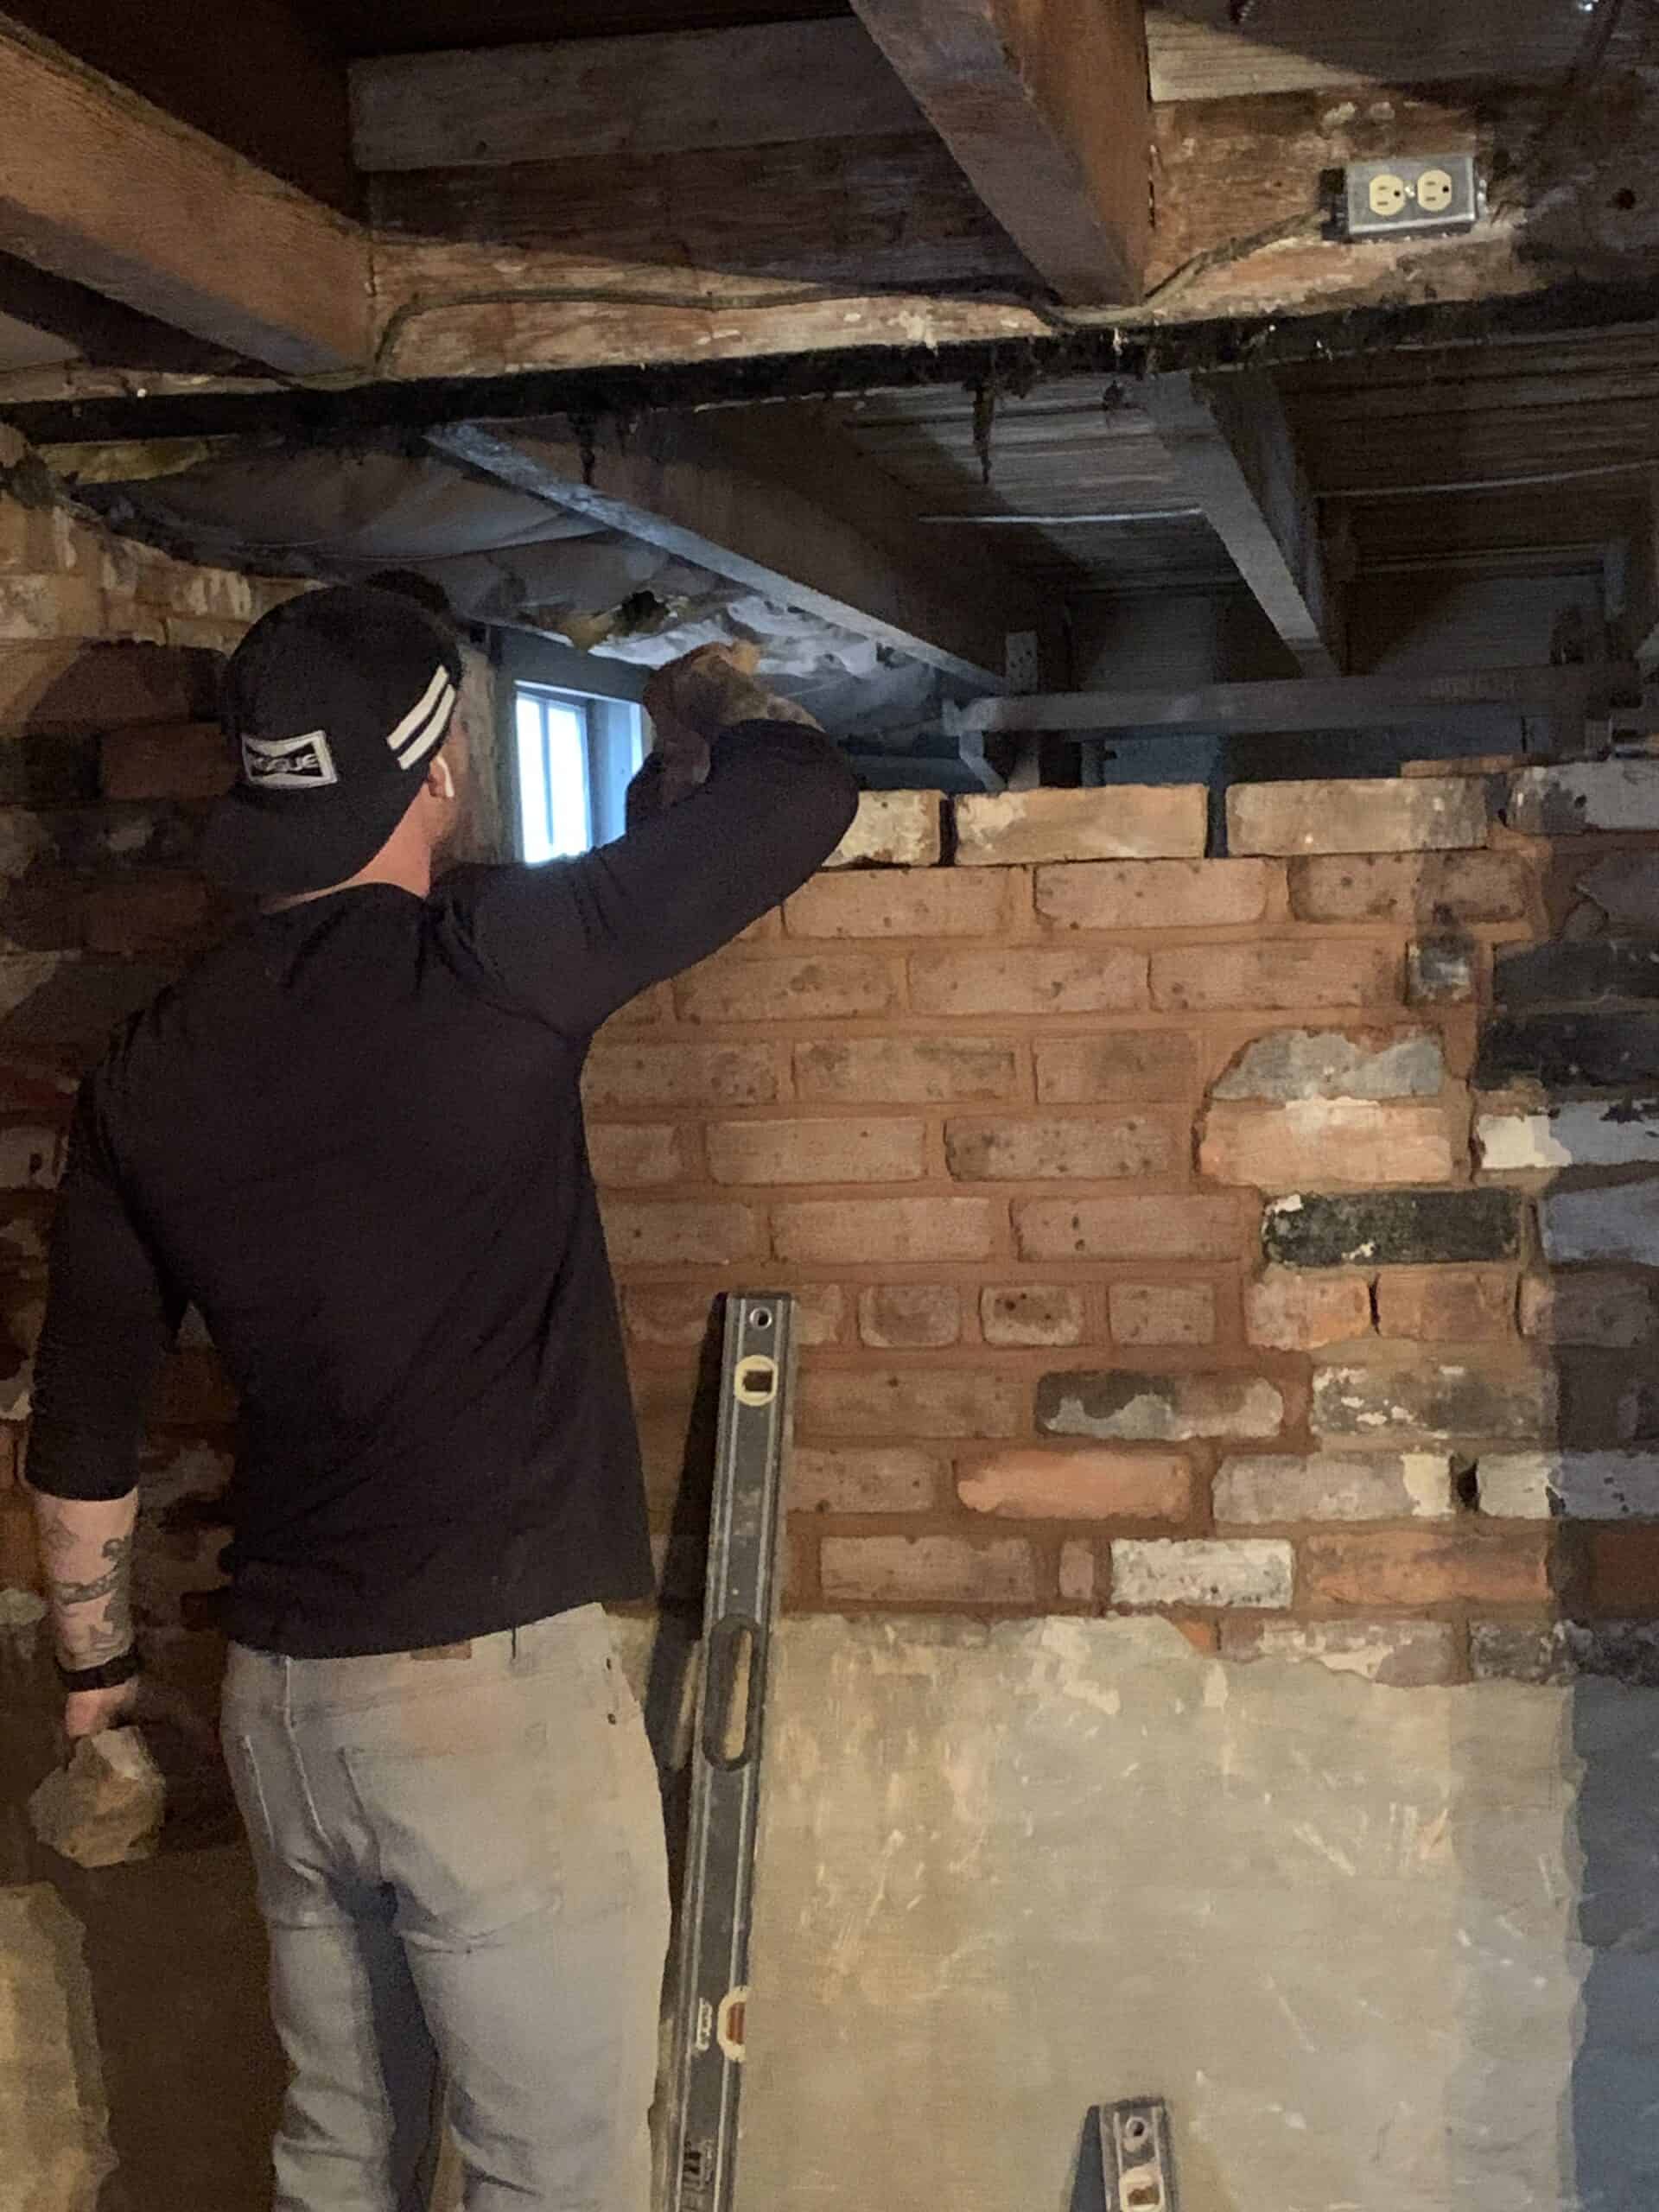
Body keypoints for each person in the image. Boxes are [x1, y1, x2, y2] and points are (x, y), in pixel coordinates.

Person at [23, 582, 857, 2212]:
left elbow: (81, 1438)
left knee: (340, 2160)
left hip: (286, 1709)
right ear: (443, 775)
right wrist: (702, 693)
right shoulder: (497, 961)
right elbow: (803, 795)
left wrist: (97, 1689)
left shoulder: (144, 1068)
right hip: (488, 1706)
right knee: (553, 2176)